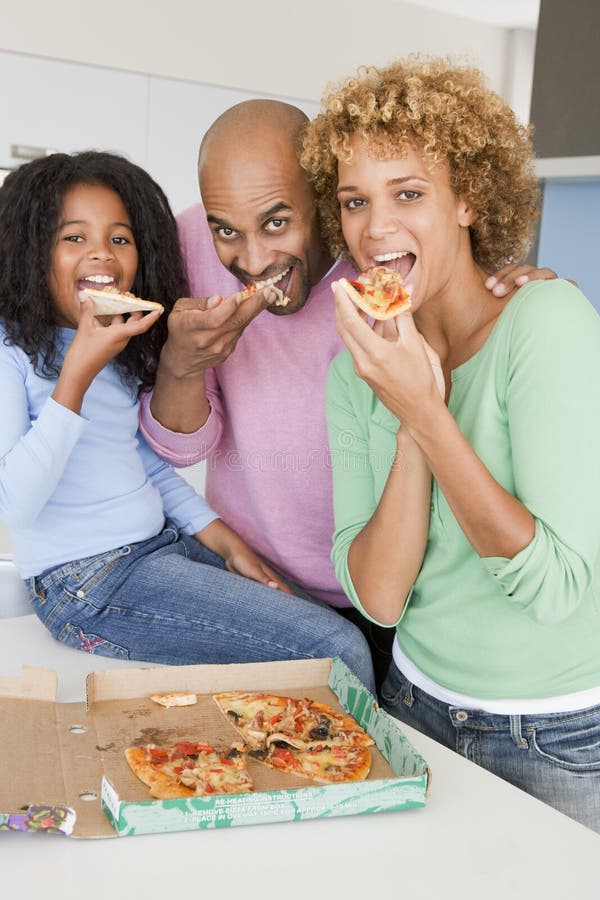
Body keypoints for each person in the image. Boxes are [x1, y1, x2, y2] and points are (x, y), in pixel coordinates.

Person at [139, 100, 559, 694]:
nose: (252, 259)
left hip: (397, 593)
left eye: (278, 223)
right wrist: (181, 365)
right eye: (227, 230)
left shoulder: (389, 272)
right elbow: (179, 450)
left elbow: (468, 329)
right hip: (257, 585)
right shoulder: (190, 244)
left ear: (327, 202)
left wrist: (524, 289)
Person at [300, 57, 600, 831]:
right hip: (411, 711)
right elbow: (382, 597)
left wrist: (429, 413)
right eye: (355, 201)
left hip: (555, 741)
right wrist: (407, 416)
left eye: (409, 193)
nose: (376, 227)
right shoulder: (353, 374)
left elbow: (557, 588)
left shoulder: (546, 323)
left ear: (469, 199)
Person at [0, 150, 377, 695]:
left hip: (158, 545)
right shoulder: (12, 350)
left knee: (317, 616)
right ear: (31, 250)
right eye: (74, 238)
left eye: (120, 238)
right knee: (338, 650)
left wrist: (225, 542)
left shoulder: (115, 341)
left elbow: (144, 466)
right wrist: (78, 372)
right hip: (87, 585)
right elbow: (15, 504)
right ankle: (359, 778)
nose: (101, 254)